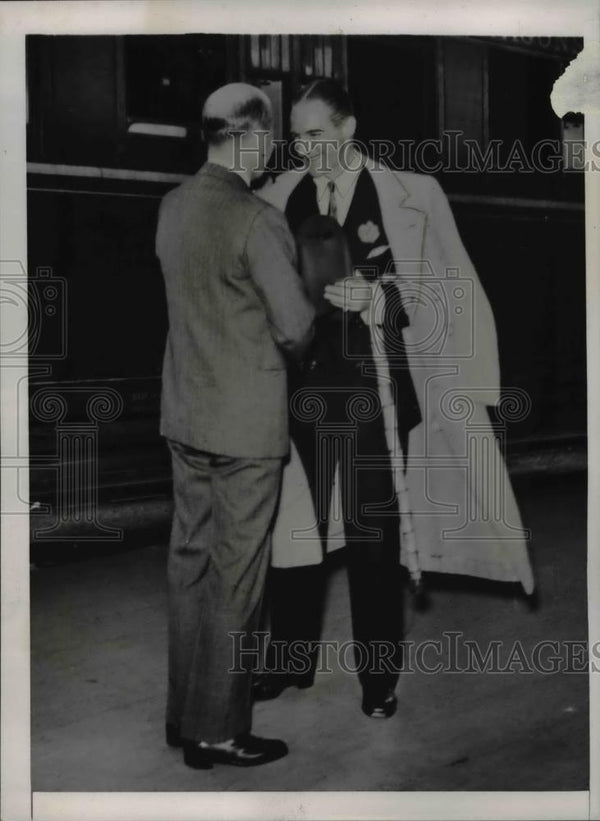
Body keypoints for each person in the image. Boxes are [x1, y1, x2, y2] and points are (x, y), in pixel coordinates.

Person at [255, 78, 535, 718]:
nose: (305, 149)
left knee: (373, 540)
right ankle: (290, 662)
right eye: (296, 137)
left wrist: (382, 298)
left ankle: (377, 679)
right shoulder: (276, 197)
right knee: (292, 533)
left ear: (348, 129)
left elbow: (448, 288)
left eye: (317, 135)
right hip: (296, 397)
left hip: (375, 399)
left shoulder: (413, 194)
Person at [156, 83, 315, 768]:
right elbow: (295, 326)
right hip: (246, 424)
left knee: (189, 561)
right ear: (251, 137)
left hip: (185, 412)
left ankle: (182, 715)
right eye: (269, 138)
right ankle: (218, 727)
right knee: (238, 576)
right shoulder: (256, 218)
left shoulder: (172, 206)